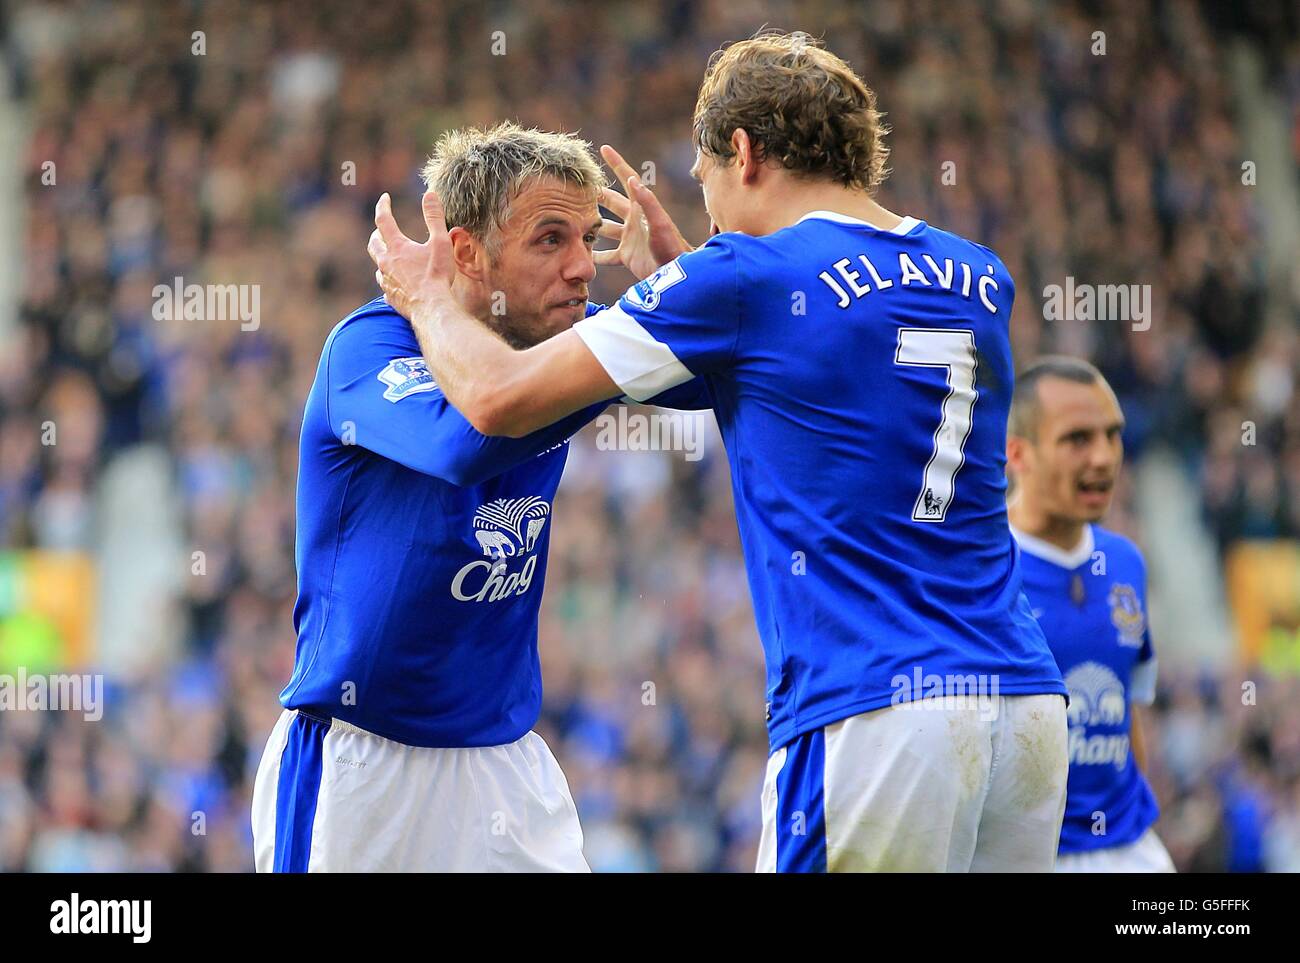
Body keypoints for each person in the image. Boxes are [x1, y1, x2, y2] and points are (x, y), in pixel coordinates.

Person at [368, 31, 1069, 871]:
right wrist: (685, 275)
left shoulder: (742, 274)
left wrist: (429, 299)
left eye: (702, 179)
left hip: (875, 710)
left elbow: (496, 397)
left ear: (741, 152)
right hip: (1024, 702)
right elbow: (812, 363)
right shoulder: (977, 273)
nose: (704, 207)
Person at [252, 122, 703, 871]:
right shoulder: (369, 349)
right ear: (465, 252)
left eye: (586, 238)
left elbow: (732, 382)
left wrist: (686, 289)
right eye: (548, 239)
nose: (582, 267)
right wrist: (435, 310)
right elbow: (463, 442)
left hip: (504, 768)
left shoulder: (570, 343)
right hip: (364, 768)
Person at [1007, 357, 1174, 872]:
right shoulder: (980, 573)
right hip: (1029, 858)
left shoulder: (1126, 563)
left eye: (1113, 434)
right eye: (1077, 439)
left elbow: (1131, 711)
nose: (1103, 457)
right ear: (1017, 454)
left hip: (1132, 850)